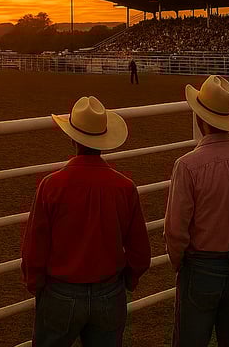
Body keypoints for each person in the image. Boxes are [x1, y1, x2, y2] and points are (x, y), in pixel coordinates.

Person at [21, 95, 151, 347]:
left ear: (73, 139)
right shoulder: (124, 187)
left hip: (61, 291)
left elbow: (35, 245)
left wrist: (35, 283)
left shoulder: (51, 186)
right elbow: (139, 250)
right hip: (109, 290)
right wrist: (129, 278)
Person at [165, 75, 229, 346]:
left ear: (200, 120)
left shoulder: (187, 166)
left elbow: (175, 230)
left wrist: (180, 263)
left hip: (200, 266)